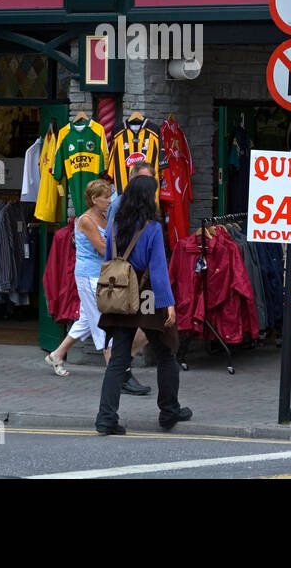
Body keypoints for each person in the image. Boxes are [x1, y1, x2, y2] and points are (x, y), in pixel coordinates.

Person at [94, 174, 190, 435]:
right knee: (166, 353)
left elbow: (107, 259)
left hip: (121, 296)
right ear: (148, 197)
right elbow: (158, 270)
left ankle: (106, 418)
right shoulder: (152, 227)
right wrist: (168, 304)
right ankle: (169, 412)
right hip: (147, 297)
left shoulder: (114, 225)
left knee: (118, 360)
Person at [44, 179, 150, 395]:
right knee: (103, 325)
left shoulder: (104, 216)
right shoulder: (86, 220)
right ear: (94, 199)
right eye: (105, 197)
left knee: (86, 319)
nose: (110, 200)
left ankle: (56, 355)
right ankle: (119, 376)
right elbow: (104, 248)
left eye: (111, 196)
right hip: (90, 277)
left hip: (101, 276)